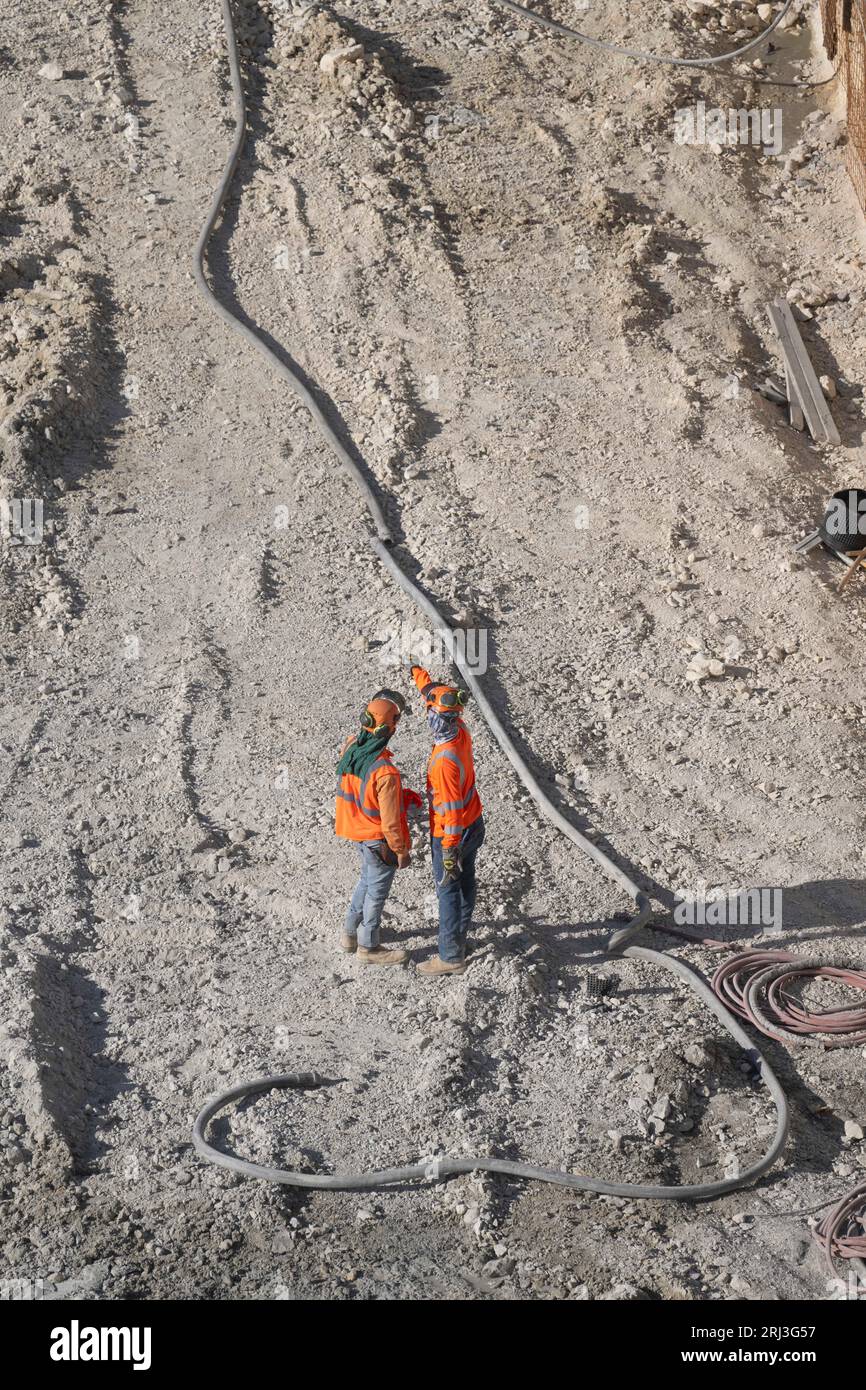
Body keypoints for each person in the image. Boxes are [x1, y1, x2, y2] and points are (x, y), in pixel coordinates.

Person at [335, 689, 421, 966]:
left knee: (366, 881)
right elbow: (391, 822)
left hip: (356, 831)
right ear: (388, 727)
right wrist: (401, 850)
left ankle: (350, 933)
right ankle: (368, 947)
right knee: (377, 892)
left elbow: (361, 790)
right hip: (377, 839)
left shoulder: (351, 747)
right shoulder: (385, 772)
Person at [410, 664, 484, 976]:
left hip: (453, 832)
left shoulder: (444, 762)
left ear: (438, 718)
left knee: (449, 890)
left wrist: (449, 850)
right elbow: (434, 692)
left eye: (431, 712)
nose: (429, 716)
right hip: (474, 822)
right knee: (466, 882)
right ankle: (460, 937)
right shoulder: (460, 730)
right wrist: (418, 674)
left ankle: (451, 955)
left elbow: (451, 811)